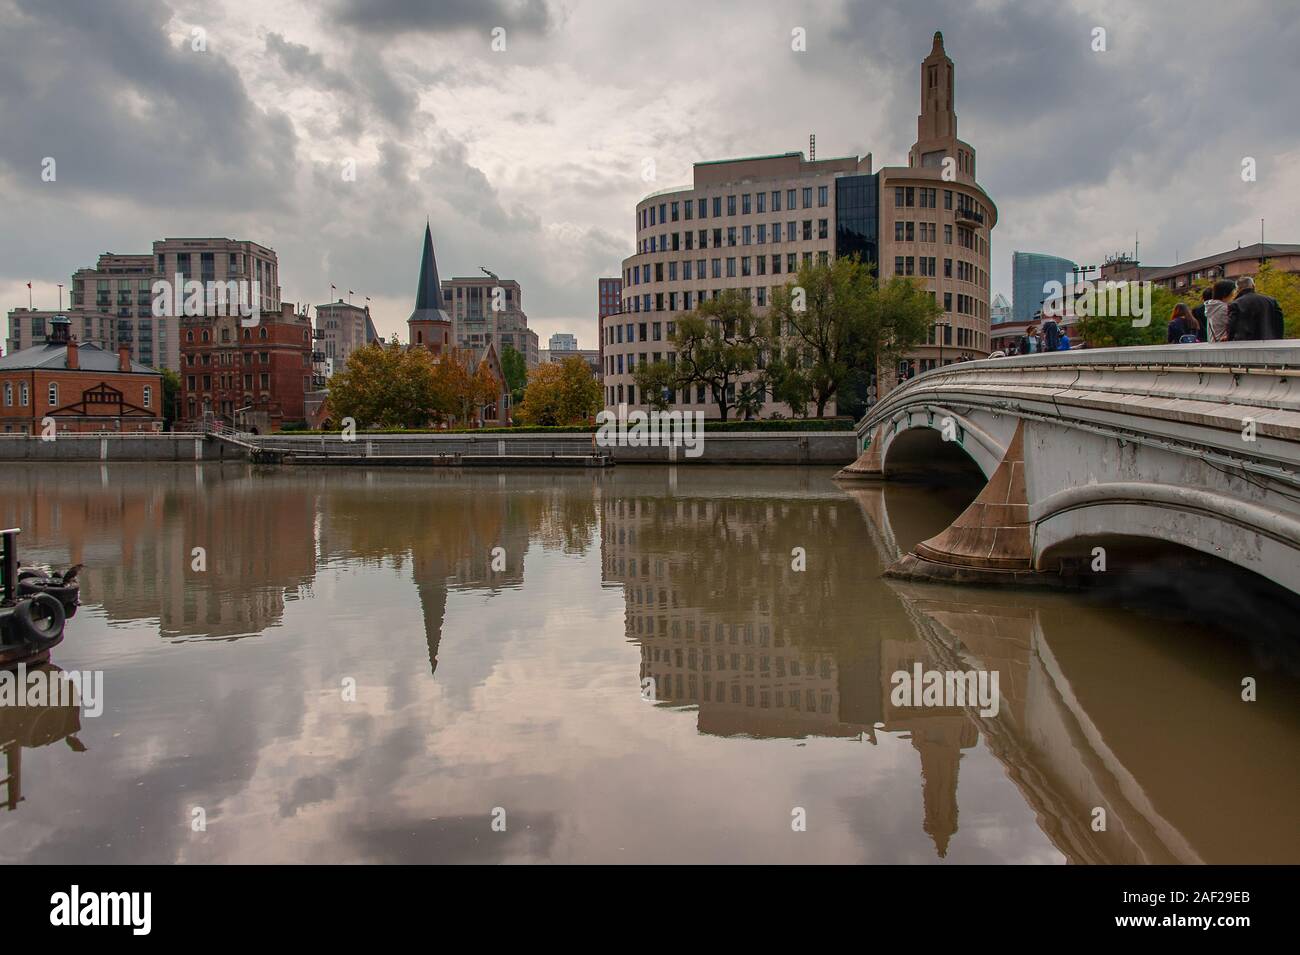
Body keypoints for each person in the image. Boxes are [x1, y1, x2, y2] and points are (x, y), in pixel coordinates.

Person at [1227, 275, 1285, 341]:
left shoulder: (1235, 304)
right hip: (1268, 342)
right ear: (1253, 286)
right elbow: (1279, 323)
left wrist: (1229, 340)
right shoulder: (1271, 301)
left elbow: (1231, 326)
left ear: (1238, 289)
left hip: (1244, 344)